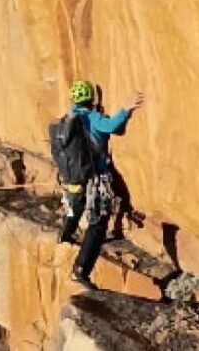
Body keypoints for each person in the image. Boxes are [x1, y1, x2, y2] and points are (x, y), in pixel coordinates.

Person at [60, 79, 143, 290]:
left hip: (73, 177)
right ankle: (81, 269)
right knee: (97, 224)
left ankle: (66, 234)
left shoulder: (68, 120)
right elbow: (111, 127)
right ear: (92, 99)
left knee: (76, 206)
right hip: (95, 177)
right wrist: (126, 108)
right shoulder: (92, 117)